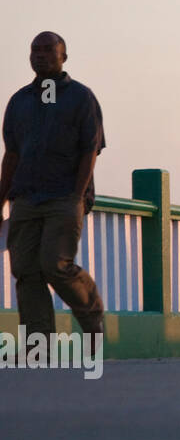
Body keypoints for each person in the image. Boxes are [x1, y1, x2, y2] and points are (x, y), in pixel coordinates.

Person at [0, 32, 106, 353]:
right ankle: (38, 346)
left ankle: (91, 317)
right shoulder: (19, 102)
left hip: (64, 196)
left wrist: (78, 195)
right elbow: (12, 155)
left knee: (55, 264)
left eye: (49, 50)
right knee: (26, 271)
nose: (41, 55)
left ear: (64, 57)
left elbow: (90, 150)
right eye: (36, 50)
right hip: (26, 198)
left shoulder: (81, 98)